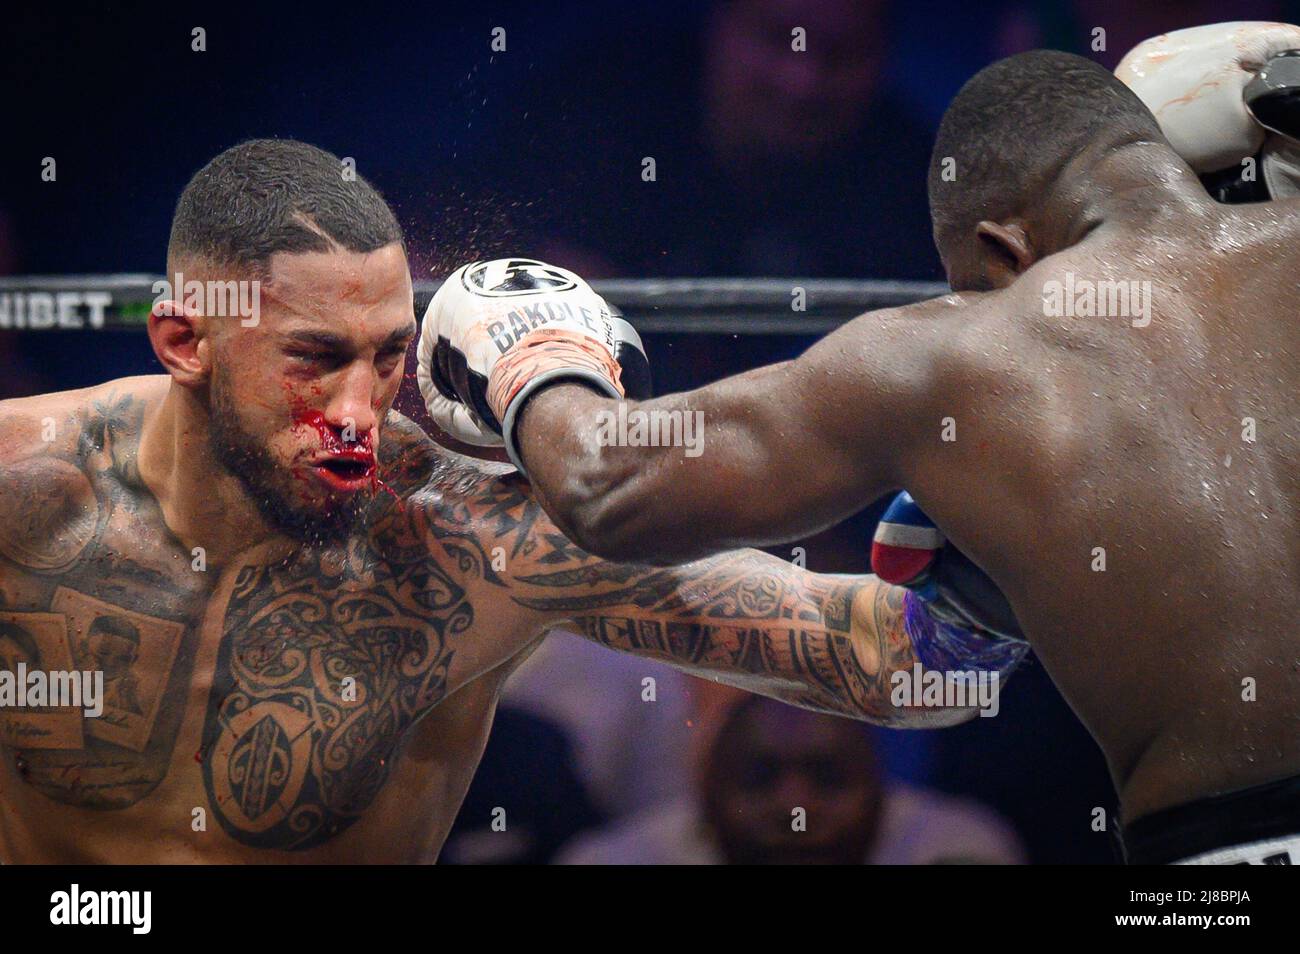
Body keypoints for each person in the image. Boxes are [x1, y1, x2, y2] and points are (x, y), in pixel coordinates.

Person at [0, 138, 1012, 863]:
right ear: (186, 342)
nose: (359, 408)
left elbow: (892, 663)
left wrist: (1013, 542)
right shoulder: (22, 487)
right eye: (313, 359)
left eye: (389, 355)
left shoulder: (466, 532)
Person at [424, 32, 1300, 864]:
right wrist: (977, 617)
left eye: (972, 288)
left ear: (1002, 249)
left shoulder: (956, 354)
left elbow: (610, 484)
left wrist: (530, 349)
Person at [557, 692, 1025, 865]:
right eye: (758, 779)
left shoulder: (958, 847)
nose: (795, 807)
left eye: (830, 780)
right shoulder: (613, 859)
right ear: (706, 792)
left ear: (883, 788)